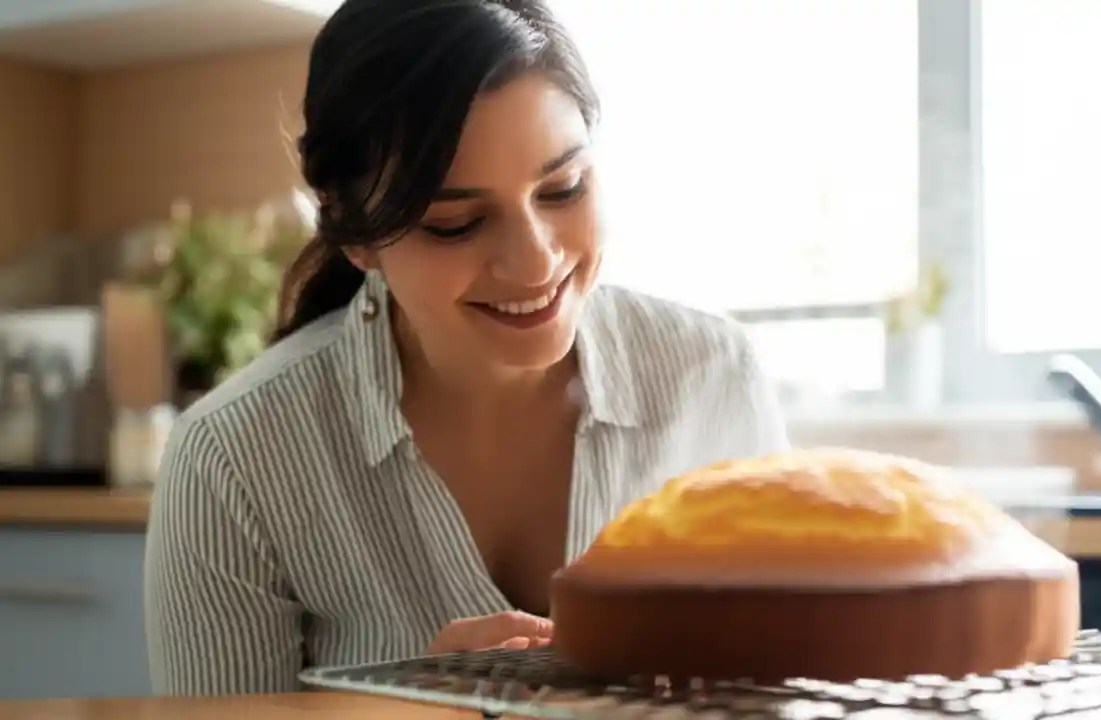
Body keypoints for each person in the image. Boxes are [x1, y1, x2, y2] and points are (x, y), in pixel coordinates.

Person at [144, 0, 789, 697]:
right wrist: (406, 714)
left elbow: (786, 686)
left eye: (563, 188)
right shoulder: (234, 461)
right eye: (456, 223)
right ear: (355, 233)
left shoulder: (714, 376)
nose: (534, 263)